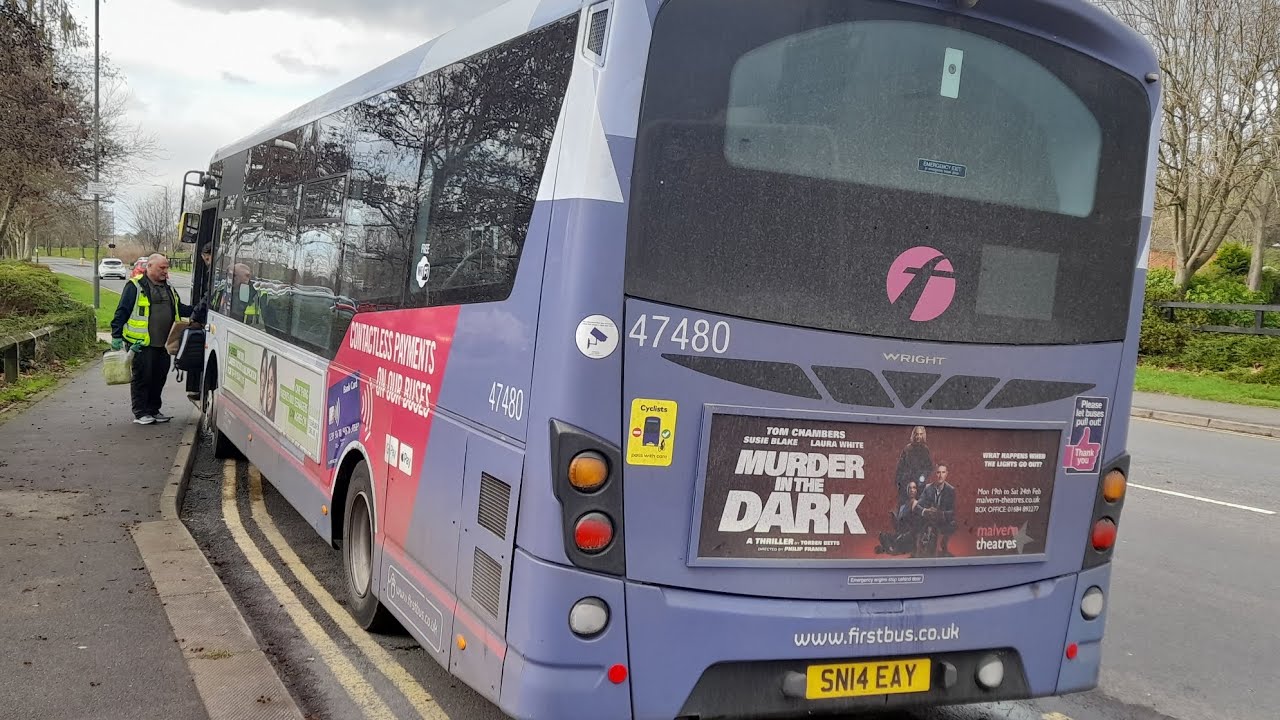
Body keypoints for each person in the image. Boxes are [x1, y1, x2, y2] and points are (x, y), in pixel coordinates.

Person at [110, 254, 192, 425]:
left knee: (159, 378)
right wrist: (116, 335)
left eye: (167, 267)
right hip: (141, 344)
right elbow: (122, 311)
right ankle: (141, 413)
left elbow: (179, 308)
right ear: (150, 266)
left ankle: (154, 410)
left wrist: (199, 310)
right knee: (142, 378)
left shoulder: (168, 287)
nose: (165, 271)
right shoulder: (135, 286)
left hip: (164, 344)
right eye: (162, 268)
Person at [913, 463, 958, 557]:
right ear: (935, 474)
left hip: (941, 520)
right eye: (938, 472)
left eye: (943, 472)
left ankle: (943, 544)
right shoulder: (928, 488)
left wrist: (940, 514)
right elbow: (917, 507)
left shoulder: (951, 490)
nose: (940, 475)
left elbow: (953, 512)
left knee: (953, 524)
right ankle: (921, 546)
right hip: (928, 519)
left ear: (947, 474)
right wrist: (926, 511)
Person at [894, 426, 933, 506]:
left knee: (919, 506)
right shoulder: (907, 449)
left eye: (920, 434)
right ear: (913, 435)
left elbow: (929, 467)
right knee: (904, 507)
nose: (918, 436)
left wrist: (922, 478)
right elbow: (900, 466)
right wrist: (899, 481)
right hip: (907, 483)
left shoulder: (925, 450)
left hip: (920, 484)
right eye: (917, 434)